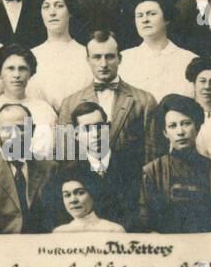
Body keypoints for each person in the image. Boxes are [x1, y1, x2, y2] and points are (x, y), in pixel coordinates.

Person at [57, 31, 159, 163]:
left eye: (110, 57)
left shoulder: (144, 101)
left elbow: (153, 156)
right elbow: (65, 155)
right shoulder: (70, 104)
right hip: (86, 181)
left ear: (120, 58)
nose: (104, 64)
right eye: (97, 57)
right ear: (88, 60)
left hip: (131, 181)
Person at [0, 103, 59, 234]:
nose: (14, 135)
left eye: (21, 128)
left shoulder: (50, 168)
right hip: (1, 249)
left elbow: (57, 219)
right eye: (7, 129)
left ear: (32, 130)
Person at [139, 94, 211, 233]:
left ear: (197, 127)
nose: (180, 132)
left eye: (186, 123)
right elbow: (146, 221)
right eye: (172, 126)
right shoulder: (152, 172)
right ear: (165, 133)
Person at [61, 100, 142, 231]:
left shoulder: (132, 165)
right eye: (87, 129)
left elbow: (140, 212)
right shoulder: (67, 172)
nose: (95, 134)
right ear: (76, 134)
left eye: (99, 126)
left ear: (108, 127)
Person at [0, 45, 58, 158]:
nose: (17, 75)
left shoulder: (45, 110)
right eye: (10, 68)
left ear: (30, 73)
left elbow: (50, 152)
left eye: (22, 69)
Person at [118, 0, 196, 101]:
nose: (145, 20)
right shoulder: (123, 59)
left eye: (152, 14)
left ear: (166, 18)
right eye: (139, 15)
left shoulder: (188, 60)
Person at [27, 0, 92, 110]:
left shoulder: (85, 53)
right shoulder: (30, 55)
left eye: (59, 6)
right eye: (46, 7)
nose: (52, 12)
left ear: (70, 11)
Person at [51, 168, 126, 233]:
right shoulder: (59, 232)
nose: (73, 200)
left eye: (80, 193)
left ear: (92, 194)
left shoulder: (113, 230)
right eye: (67, 195)